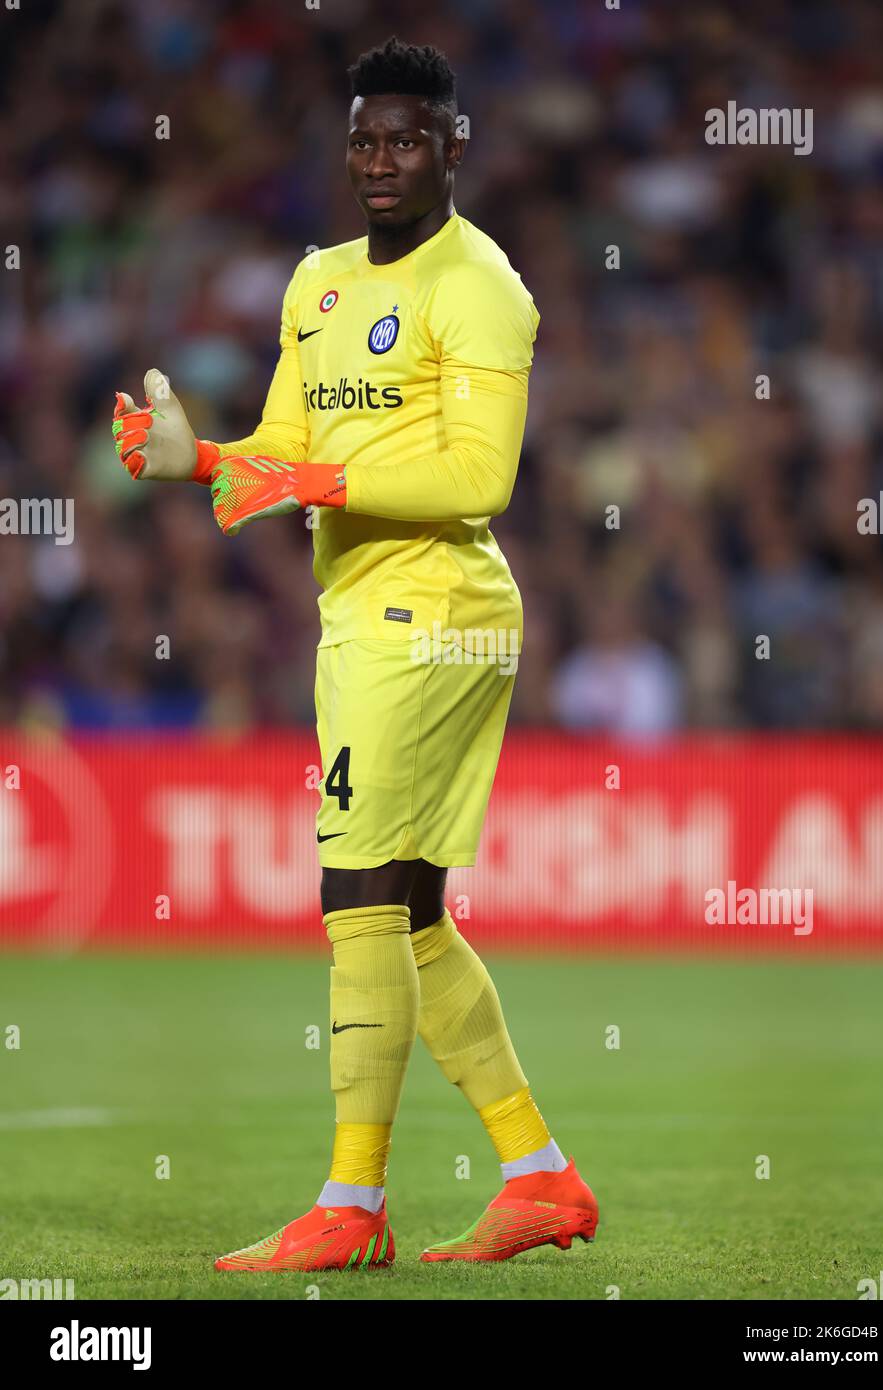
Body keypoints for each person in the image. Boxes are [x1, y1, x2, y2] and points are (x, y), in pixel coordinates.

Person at [112, 36, 598, 1271]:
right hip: (364, 612)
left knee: (357, 899)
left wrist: (318, 476)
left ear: (454, 146)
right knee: (415, 915)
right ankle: (539, 1174)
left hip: (432, 609)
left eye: (406, 140)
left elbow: (480, 473)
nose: (380, 162)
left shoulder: (479, 283)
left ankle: (352, 1201)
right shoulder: (317, 281)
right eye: (364, 141)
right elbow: (286, 438)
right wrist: (205, 460)